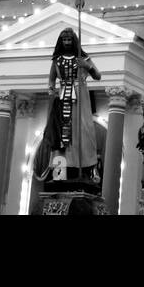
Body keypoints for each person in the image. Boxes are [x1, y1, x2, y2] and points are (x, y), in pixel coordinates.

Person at [46, 28, 101, 178]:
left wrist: (86, 65)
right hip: (63, 96)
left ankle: (85, 166)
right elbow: (51, 80)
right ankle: (60, 171)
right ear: (61, 42)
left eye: (70, 40)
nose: (67, 43)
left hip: (80, 96)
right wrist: (52, 91)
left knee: (83, 129)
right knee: (63, 129)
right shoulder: (57, 60)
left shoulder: (83, 58)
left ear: (74, 41)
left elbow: (98, 76)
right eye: (64, 40)